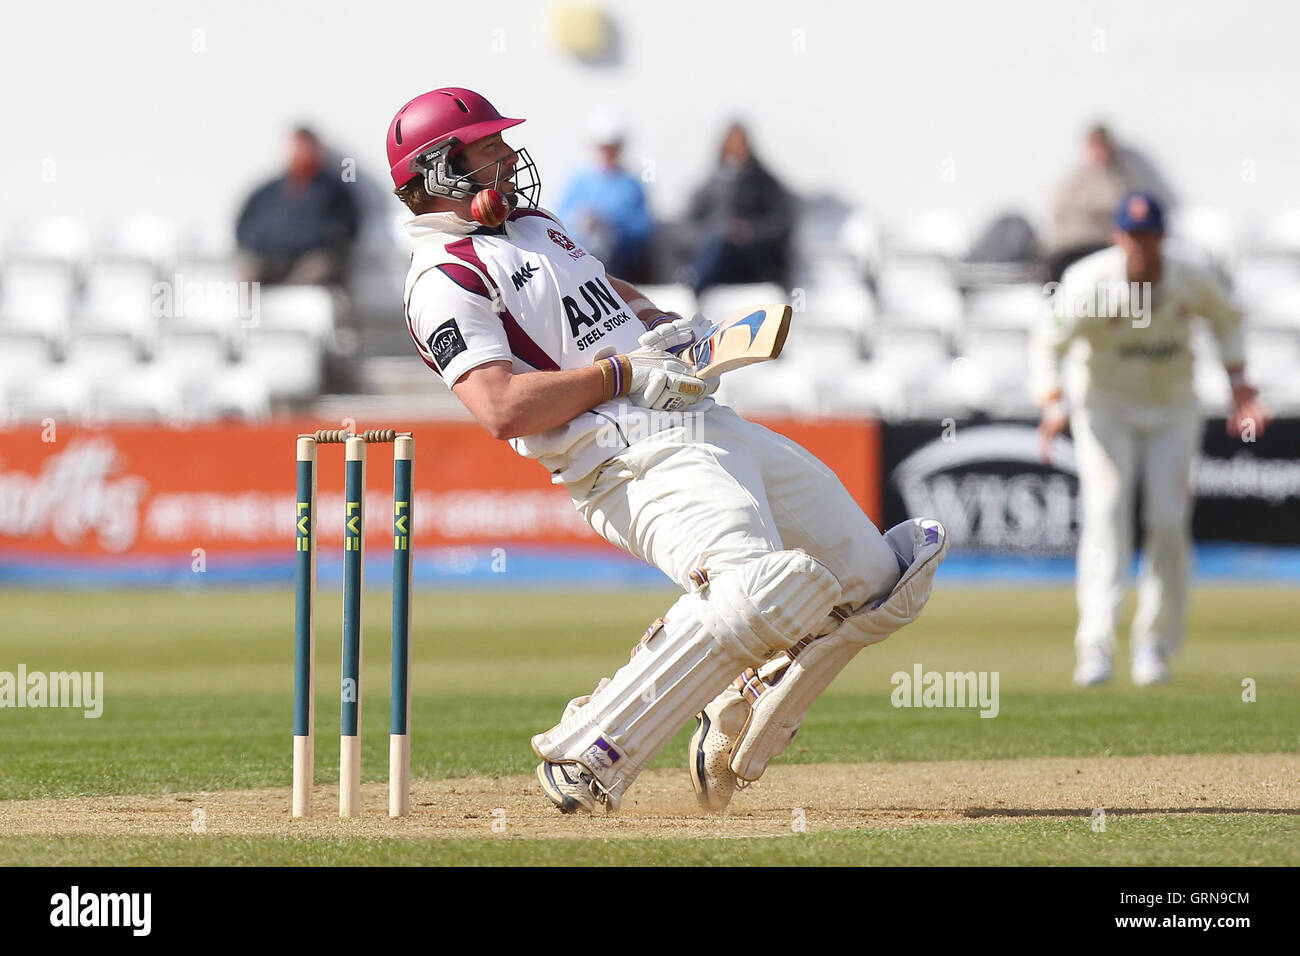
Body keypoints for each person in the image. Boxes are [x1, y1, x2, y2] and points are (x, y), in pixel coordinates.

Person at [386, 87, 947, 814]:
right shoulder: (444, 280)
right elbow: (498, 406)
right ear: (439, 170)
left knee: (877, 580)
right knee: (761, 588)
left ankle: (743, 690)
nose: (505, 157)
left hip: (699, 417)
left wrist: (664, 326)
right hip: (626, 453)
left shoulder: (531, 224)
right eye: (487, 147)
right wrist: (620, 374)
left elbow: (601, 291)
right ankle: (590, 748)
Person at [1034, 192, 1271, 687]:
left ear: (1162, 237)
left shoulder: (1190, 275)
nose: (1140, 246)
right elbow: (1048, 341)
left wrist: (1240, 384)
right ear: (1118, 237)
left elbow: (1228, 320)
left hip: (1173, 409)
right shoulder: (1089, 281)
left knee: (1167, 520)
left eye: (1148, 236)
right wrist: (1053, 403)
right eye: (1131, 236)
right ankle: (1096, 647)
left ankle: (1154, 645)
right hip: (1104, 407)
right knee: (1106, 511)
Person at [235, 127, 359, 285]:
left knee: (321, 266)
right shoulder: (267, 192)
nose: (302, 155)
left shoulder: (333, 191)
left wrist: (309, 242)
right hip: (269, 260)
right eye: (298, 149)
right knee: (246, 269)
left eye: (306, 149)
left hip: (307, 264)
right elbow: (244, 226)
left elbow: (345, 229)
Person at [685, 122, 794, 294]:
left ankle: (692, 285)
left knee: (721, 241)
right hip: (719, 256)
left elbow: (781, 222)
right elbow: (691, 218)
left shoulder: (763, 182)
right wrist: (715, 228)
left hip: (752, 259)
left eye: (741, 144)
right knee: (718, 240)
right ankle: (691, 284)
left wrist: (751, 232)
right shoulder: (714, 182)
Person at [555, 114, 654, 283]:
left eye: (612, 147)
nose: (608, 153)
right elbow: (559, 217)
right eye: (603, 147)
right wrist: (579, 221)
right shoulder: (579, 181)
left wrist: (611, 225)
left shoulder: (631, 184)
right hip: (577, 257)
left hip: (619, 262)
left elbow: (642, 227)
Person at [1045, 124, 1138, 283]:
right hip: (1072, 246)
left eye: (1103, 146)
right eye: (1095, 146)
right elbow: (1057, 207)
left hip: (1106, 245)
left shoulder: (1122, 178)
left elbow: (1126, 208)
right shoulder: (1073, 178)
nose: (1099, 151)